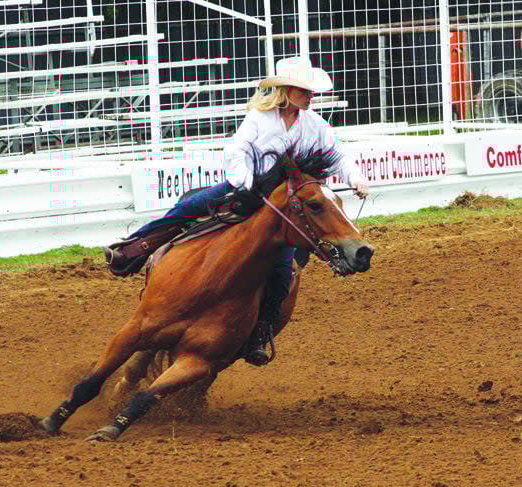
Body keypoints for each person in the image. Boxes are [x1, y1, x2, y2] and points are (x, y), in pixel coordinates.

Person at [103, 56, 369, 364]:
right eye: (304, 91)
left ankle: (261, 330)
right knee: (189, 206)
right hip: (247, 188)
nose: (310, 96)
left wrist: (356, 178)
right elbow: (237, 149)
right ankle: (134, 247)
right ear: (286, 91)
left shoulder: (315, 125)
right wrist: (241, 179)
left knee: (283, 273)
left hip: (285, 210)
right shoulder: (260, 118)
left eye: (310, 92)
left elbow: (339, 156)